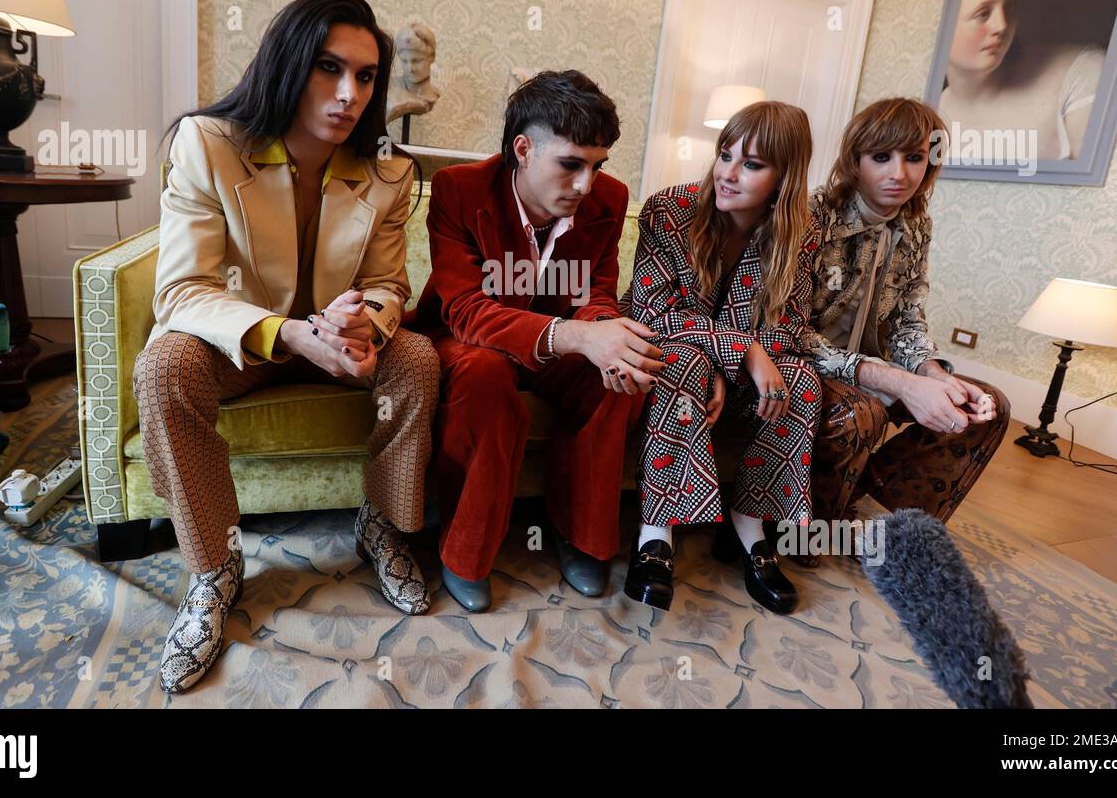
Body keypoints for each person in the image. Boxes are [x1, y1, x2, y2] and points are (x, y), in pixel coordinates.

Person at [133, 0, 439, 693]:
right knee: (164, 363)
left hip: (334, 344)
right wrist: (290, 333)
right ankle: (214, 566)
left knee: (418, 357)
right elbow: (181, 292)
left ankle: (384, 525)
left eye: (365, 76)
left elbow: (391, 284)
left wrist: (366, 318)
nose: (349, 93)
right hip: (243, 344)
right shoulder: (207, 143)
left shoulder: (390, 174)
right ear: (286, 62)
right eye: (329, 68)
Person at [408, 70, 662, 612]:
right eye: (571, 164)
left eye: (598, 165)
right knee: (485, 373)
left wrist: (606, 335)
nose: (586, 184)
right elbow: (466, 309)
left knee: (621, 377)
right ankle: (466, 553)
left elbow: (596, 290)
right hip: (469, 338)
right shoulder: (458, 189)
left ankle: (583, 535)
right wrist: (578, 335)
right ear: (523, 149)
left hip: (554, 346)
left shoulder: (609, 200)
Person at [623, 101, 821, 614]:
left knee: (798, 380)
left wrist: (744, 357)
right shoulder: (670, 209)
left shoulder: (802, 234)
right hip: (668, 356)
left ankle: (748, 526)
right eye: (725, 155)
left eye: (751, 165)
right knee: (685, 362)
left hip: (736, 377)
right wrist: (741, 350)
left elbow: (792, 326)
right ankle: (654, 534)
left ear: (784, 178)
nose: (728, 174)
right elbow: (650, 311)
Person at [802, 98, 1011, 539]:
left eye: (914, 157)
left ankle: (881, 519)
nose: (899, 174)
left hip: (876, 366)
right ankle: (816, 525)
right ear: (855, 161)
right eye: (882, 157)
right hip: (807, 365)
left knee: (986, 408)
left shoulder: (917, 226)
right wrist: (901, 384)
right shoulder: (811, 215)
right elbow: (790, 333)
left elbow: (906, 320)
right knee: (859, 415)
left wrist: (933, 376)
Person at [938, 0, 1105, 162]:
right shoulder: (930, 113)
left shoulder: (1080, 71)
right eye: (983, 14)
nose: (1002, 25)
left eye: (1011, 7)